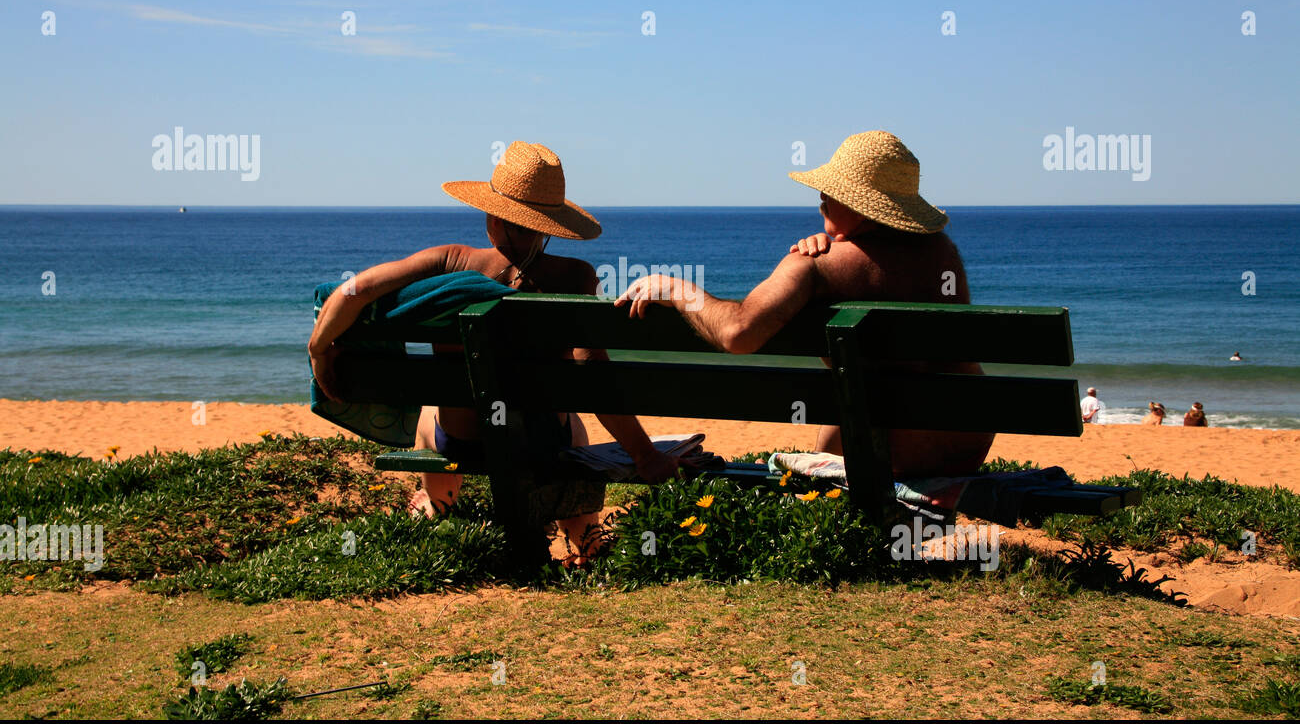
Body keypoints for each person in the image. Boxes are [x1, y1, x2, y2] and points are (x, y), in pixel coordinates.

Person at [310, 141, 678, 561]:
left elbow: (354, 290)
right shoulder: (577, 276)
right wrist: (644, 455)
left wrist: (320, 350)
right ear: (549, 225)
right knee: (572, 416)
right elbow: (592, 377)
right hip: (541, 442)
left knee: (439, 398)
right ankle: (583, 531)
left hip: (463, 441)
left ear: (491, 216)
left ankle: (437, 504)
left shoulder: (450, 263)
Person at [616, 130, 992, 478]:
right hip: (964, 444)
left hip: (889, 457)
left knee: (856, 395)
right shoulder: (943, 253)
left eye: (831, 193)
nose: (821, 199)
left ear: (860, 206)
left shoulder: (815, 265)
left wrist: (677, 290)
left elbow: (738, 334)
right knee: (858, 390)